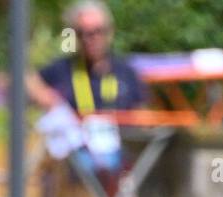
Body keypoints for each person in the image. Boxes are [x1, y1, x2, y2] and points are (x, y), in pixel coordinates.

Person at [27, 1, 148, 183]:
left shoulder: (125, 72)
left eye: (98, 31)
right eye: (83, 33)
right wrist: (43, 95)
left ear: (110, 32)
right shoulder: (64, 69)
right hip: (77, 155)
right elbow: (24, 78)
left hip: (119, 151)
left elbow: (143, 113)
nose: (91, 38)